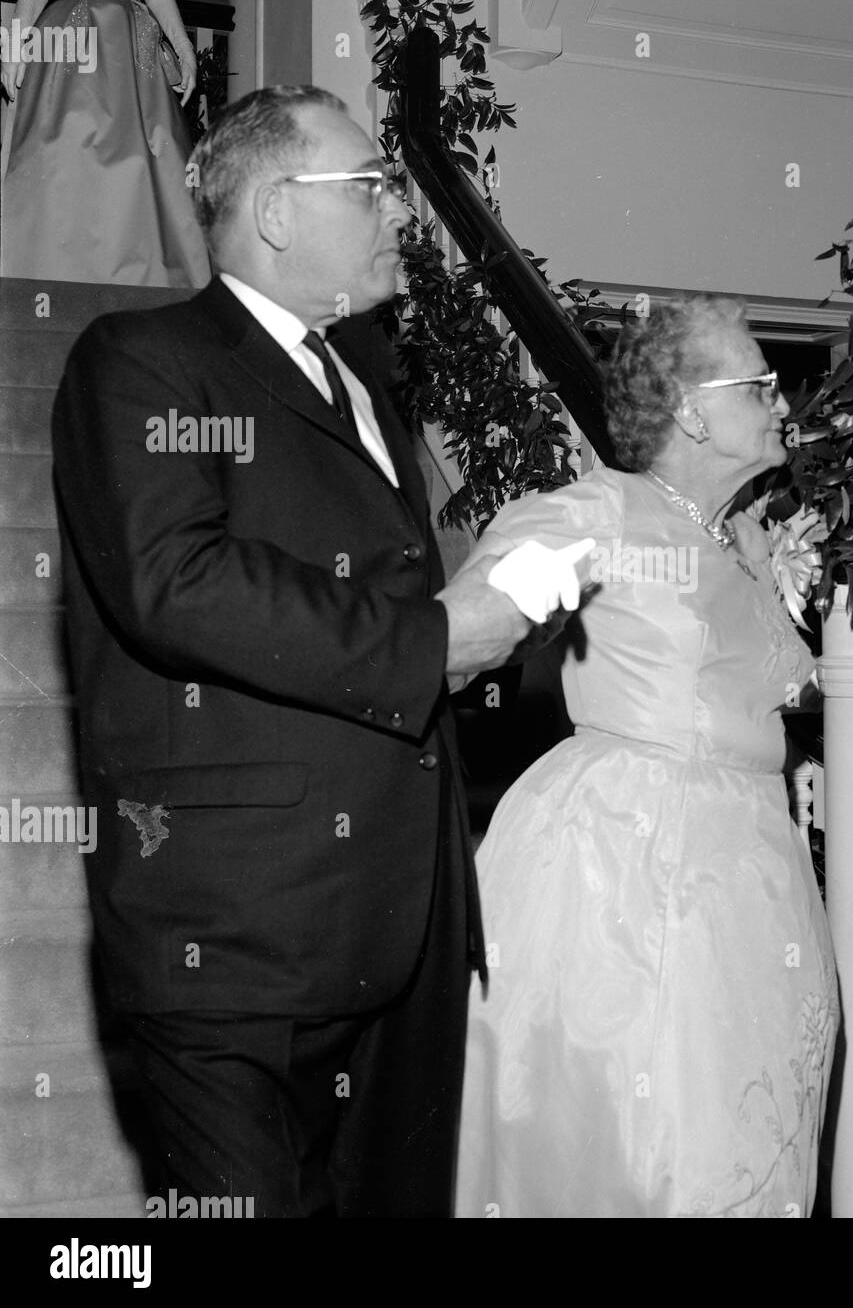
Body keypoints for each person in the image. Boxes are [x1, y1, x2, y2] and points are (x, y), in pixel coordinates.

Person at [50, 84, 540, 1216]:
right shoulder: (142, 363)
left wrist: (478, 626)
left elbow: (379, 613)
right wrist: (432, 636)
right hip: (233, 941)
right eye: (370, 187)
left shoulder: (368, 378)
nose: (398, 211)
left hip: (399, 936)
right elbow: (176, 580)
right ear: (275, 211)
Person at [453, 297, 839, 1218]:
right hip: (625, 864)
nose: (780, 400)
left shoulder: (746, 540)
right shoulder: (604, 510)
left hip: (754, 864)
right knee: (653, 1135)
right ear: (694, 411)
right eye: (759, 382)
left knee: (750, 1126)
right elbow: (455, 628)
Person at [1, 0, 209, 286]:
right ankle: (54, 282)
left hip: (133, 46)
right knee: (66, 155)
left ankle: (141, 291)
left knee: (144, 165)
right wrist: (13, 46)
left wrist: (184, 49)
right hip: (73, 38)